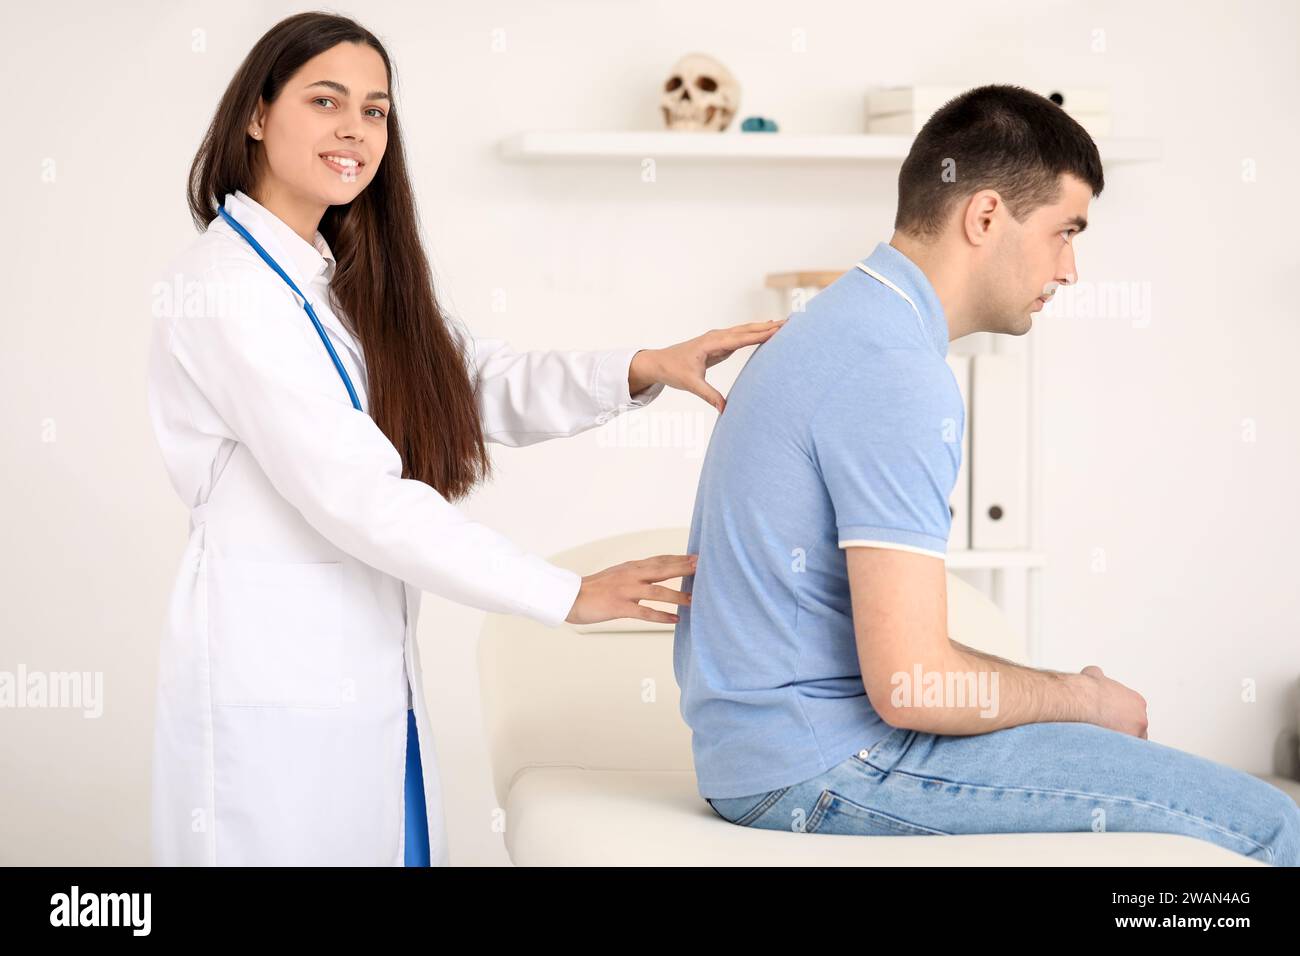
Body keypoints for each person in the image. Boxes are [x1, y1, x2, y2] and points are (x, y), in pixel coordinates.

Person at [145, 11, 784, 866]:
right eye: (325, 100)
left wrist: (642, 366)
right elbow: (355, 492)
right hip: (270, 684)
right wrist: (564, 593)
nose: (355, 130)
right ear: (256, 114)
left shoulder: (340, 278)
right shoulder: (223, 288)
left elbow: (473, 381)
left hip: (365, 678)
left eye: (375, 110)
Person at [673, 83, 1300, 865]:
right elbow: (912, 686)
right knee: (1273, 826)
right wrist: (1083, 699)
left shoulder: (832, 326)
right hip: (824, 769)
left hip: (763, 756)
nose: (1069, 268)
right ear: (985, 216)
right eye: (1065, 231)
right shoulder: (895, 371)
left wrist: (1064, 707)